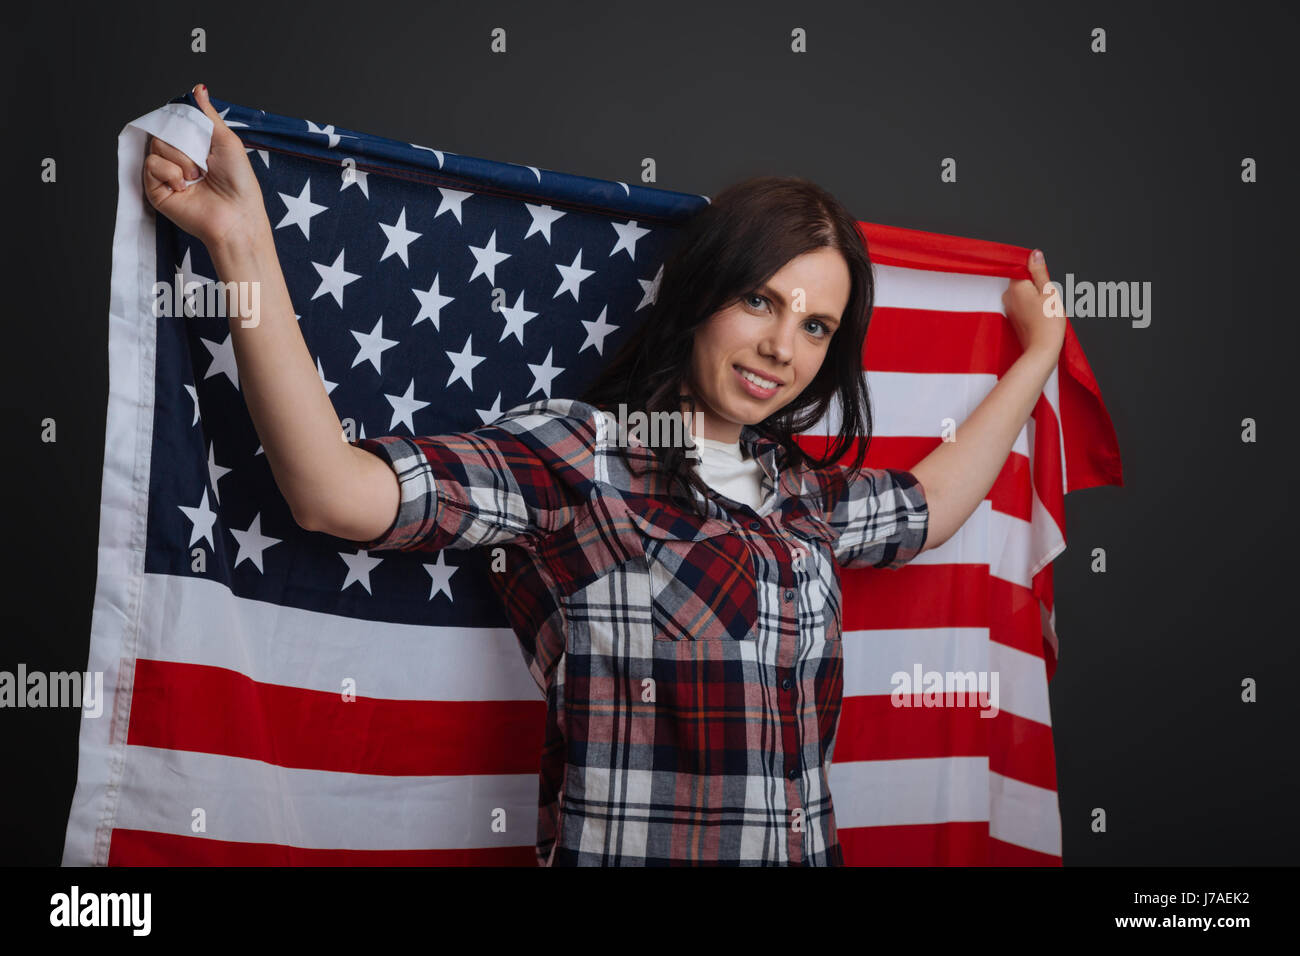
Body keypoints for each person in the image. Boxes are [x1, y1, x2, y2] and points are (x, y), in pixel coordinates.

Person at [143, 83, 1067, 866]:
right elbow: (332, 491)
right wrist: (241, 249)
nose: (783, 347)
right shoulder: (578, 458)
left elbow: (935, 506)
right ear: (704, 294)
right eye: (760, 299)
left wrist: (1037, 356)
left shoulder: (801, 496)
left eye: (816, 325)